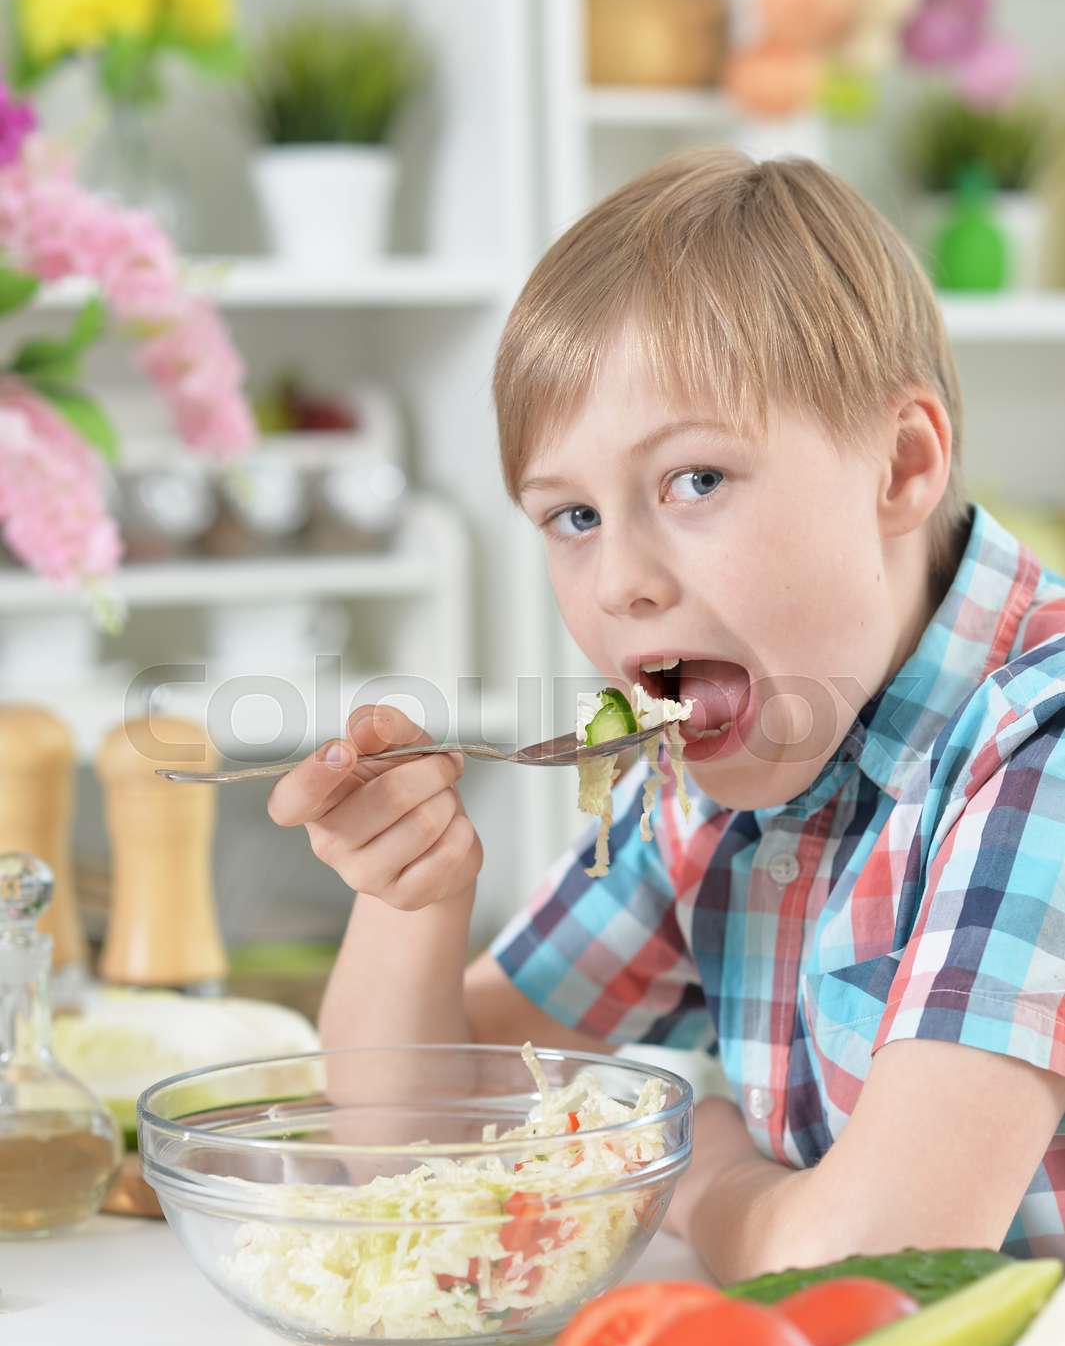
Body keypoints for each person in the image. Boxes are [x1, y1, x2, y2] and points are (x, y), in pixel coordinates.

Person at [268, 151, 1065, 1280]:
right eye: (574, 516)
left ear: (898, 466)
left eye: (696, 481)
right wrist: (413, 894)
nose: (620, 583)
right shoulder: (708, 776)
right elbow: (403, 1139)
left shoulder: (1037, 750)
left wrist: (702, 1175)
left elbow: (879, 1263)